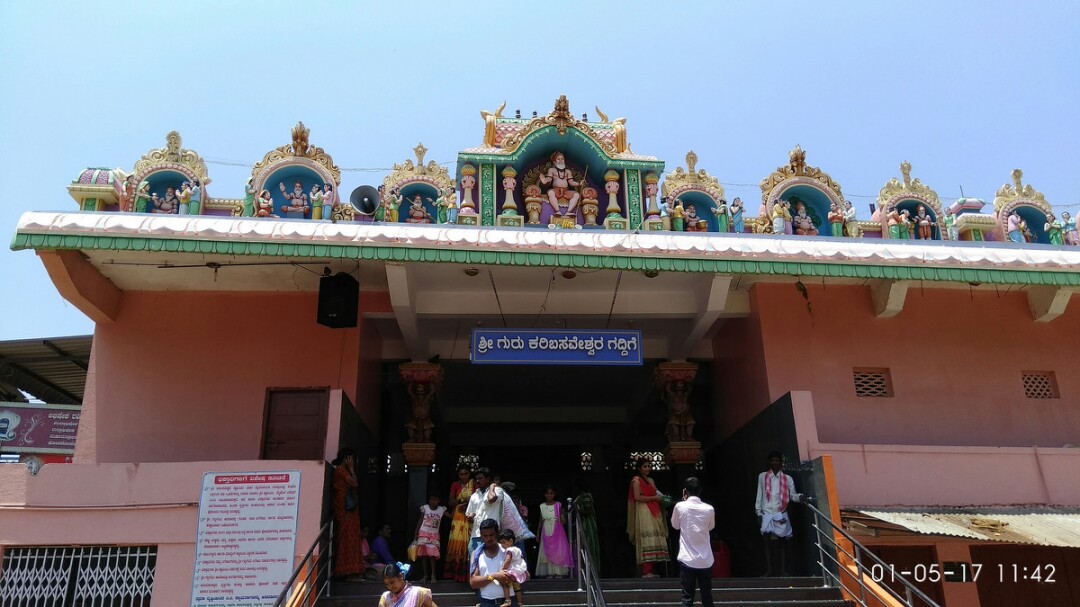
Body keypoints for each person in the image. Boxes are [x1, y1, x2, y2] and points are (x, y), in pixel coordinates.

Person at [755, 451, 803, 577]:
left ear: (780, 463)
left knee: (782, 543)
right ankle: (769, 570)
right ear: (769, 462)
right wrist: (758, 512)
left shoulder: (788, 479)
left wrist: (800, 498)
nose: (774, 463)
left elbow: (792, 495)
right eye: (772, 460)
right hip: (766, 513)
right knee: (767, 543)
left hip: (781, 513)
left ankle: (783, 570)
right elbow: (759, 495)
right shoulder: (762, 476)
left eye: (777, 460)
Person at [671, 477, 715, 607]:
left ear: (685, 491)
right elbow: (710, 527)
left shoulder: (680, 506)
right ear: (700, 490)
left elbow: (675, 525)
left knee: (687, 597)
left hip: (687, 559)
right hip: (705, 560)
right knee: (707, 596)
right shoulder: (709, 509)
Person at [627, 458, 669, 578]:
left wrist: (664, 499)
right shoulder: (636, 480)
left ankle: (650, 570)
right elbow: (637, 497)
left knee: (655, 538)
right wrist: (654, 498)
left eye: (648, 466)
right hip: (644, 511)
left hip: (654, 510)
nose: (647, 468)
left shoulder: (650, 480)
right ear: (639, 468)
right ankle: (645, 572)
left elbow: (657, 493)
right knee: (647, 539)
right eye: (644, 466)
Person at [331, 447, 364, 581]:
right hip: (344, 510)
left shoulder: (342, 471)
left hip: (350, 509)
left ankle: (354, 571)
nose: (354, 462)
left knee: (353, 539)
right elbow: (354, 483)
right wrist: (351, 468)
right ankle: (347, 573)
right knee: (346, 540)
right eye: (352, 459)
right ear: (347, 458)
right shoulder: (340, 470)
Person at [469, 519, 517, 607]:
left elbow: (526, 576)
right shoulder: (476, 554)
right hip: (487, 603)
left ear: (497, 533)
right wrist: (494, 576)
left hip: (509, 602)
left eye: (491, 535)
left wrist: (512, 575)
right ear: (481, 535)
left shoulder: (508, 551)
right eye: (485, 536)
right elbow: (473, 582)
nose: (488, 539)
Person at [465, 468, 505, 564]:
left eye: (481, 478)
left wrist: (492, 487)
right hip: (476, 534)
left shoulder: (497, 490)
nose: (478, 481)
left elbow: (492, 498)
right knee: (475, 563)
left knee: (492, 562)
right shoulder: (474, 496)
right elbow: (469, 516)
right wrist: (470, 517)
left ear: (488, 479)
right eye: (476, 479)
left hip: (491, 535)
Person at [444, 465, 475, 581]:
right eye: (461, 474)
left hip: (470, 516)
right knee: (456, 544)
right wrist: (462, 500)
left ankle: (468, 574)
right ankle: (455, 574)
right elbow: (451, 502)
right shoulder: (455, 485)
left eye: (466, 474)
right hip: (457, 517)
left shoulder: (474, 484)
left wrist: (467, 503)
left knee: (468, 543)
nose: (463, 476)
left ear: (469, 474)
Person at [535, 486, 572, 578]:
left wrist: (562, 516)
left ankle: (558, 572)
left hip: (557, 529)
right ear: (544, 494)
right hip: (546, 529)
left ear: (554, 494)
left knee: (558, 550)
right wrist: (538, 531)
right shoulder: (542, 506)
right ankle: (549, 572)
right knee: (547, 551)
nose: (549, 495)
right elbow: (541, 520)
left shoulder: (558, 505)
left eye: (551, 493)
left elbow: (563, 520)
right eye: (547, 493)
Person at [414, 495, 448, 583]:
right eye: (431, 499)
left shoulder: (441, 509)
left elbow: (451, 516)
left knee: (432, 556)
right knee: (424, 556)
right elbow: (420, 520)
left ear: (439, 500)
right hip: (423, 533)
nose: (432, 501)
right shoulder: (425, 508)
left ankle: (433, 575)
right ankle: (425, 576)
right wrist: (416, 533)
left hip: (434, 535)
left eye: (435, 499)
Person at [538, 151, 581, 216]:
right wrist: (544, 180)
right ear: (554, 162)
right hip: (556, 190)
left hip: (566, 191)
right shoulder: (552, 170)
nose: (560, 161)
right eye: (558, 159)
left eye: (562, 159)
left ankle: (568, 212)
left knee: (577, 195)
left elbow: (571, 182)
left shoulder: (568, 171)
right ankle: (557, 211)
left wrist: (579, 183)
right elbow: (549, 179)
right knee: (550, 192)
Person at [573, 483, 600, 573]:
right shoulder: (580, 497)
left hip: (588, 525)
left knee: (590, 547)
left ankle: (592, 571)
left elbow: (588, 512)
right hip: (584, 526)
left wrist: (578, 510)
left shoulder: (586, 497)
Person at [496, 529, 528, 607]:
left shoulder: (509, 550)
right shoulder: (518, 549)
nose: (502, 545)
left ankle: (507, 600)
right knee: (517, 587)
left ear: (510, 541)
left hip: (512, 571)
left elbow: (507, 560)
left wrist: (502, 569)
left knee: (505, 583)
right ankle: (520, 602)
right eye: (501, 543)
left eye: (504, 542)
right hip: (518, 571)